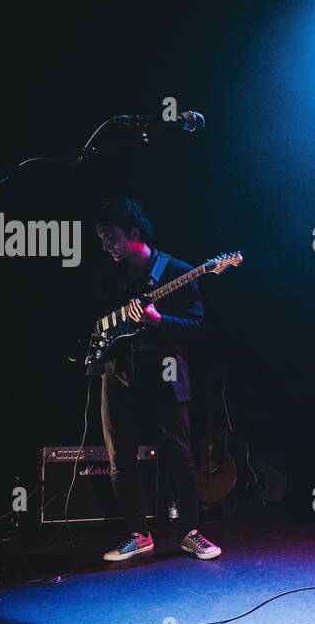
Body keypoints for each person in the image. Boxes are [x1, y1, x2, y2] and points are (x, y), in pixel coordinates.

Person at [92, 197, 221, 562]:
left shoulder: (177, 271)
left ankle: (192, 532)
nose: (106, 245)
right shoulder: (107, 275)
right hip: (118, 373)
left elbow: (199, 326)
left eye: (111, 237)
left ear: (134, 233)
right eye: (101, 238)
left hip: (166, 370)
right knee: (120, 457)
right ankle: (138, 532)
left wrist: (159, 322)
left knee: (179, 453)